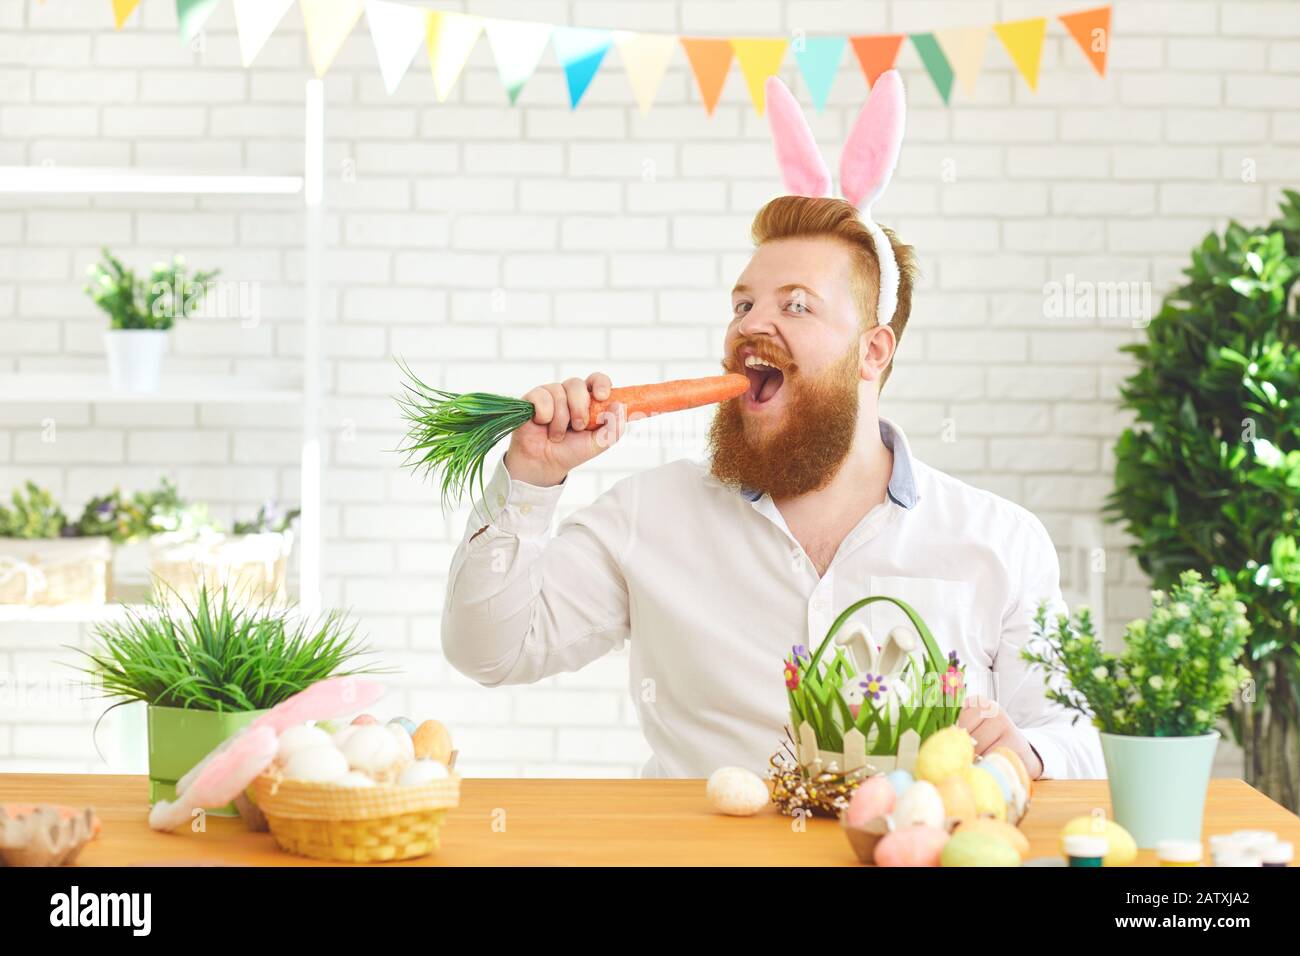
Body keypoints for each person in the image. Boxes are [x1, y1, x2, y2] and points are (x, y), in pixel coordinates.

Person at [440, 193, 1104, 780]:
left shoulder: (999, 540)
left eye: (796, 305)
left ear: (873, 351)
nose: (751, 325)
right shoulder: (650, 514)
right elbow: (489, 650)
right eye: (743, 304)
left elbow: (1076, 744)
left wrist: (1024, 751)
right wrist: (531, 475)